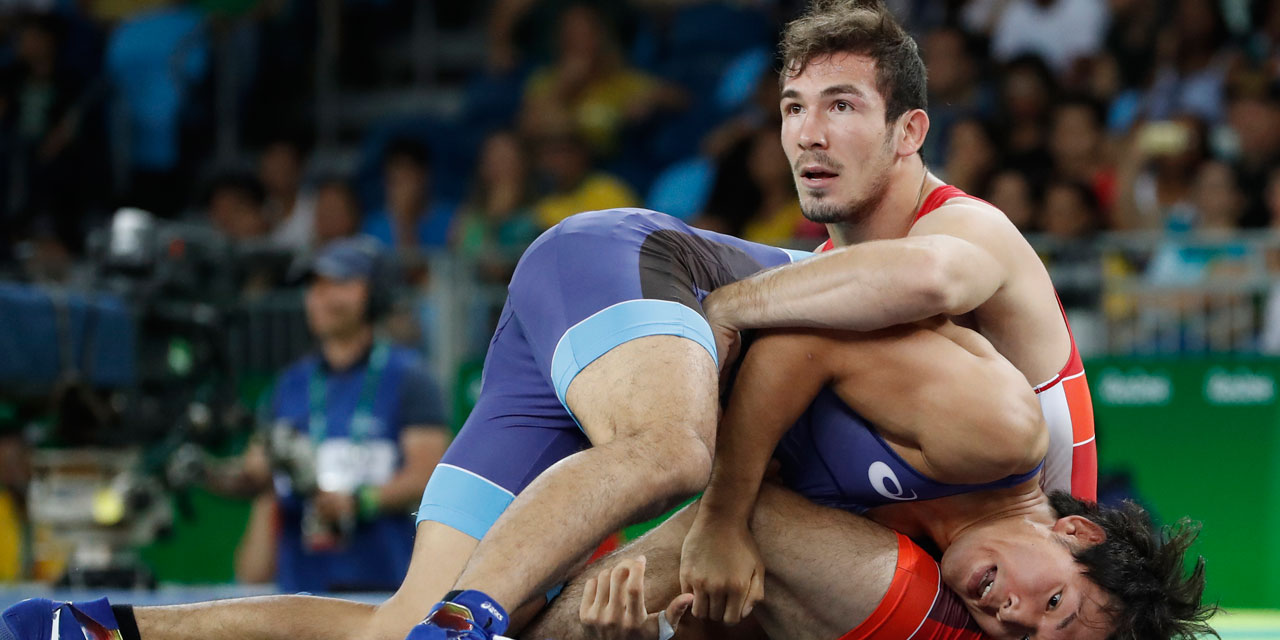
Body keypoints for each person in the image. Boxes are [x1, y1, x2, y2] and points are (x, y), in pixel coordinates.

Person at [191, 237, 451, 591]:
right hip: (300, 593)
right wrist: (205, 472)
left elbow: (427, 475)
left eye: (339, 284)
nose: (321, 297)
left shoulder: (409, 377)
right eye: (315, 286)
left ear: (376, 294)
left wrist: (358, 502)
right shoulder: (291, 383)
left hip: (385, 592)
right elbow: (256, 474)